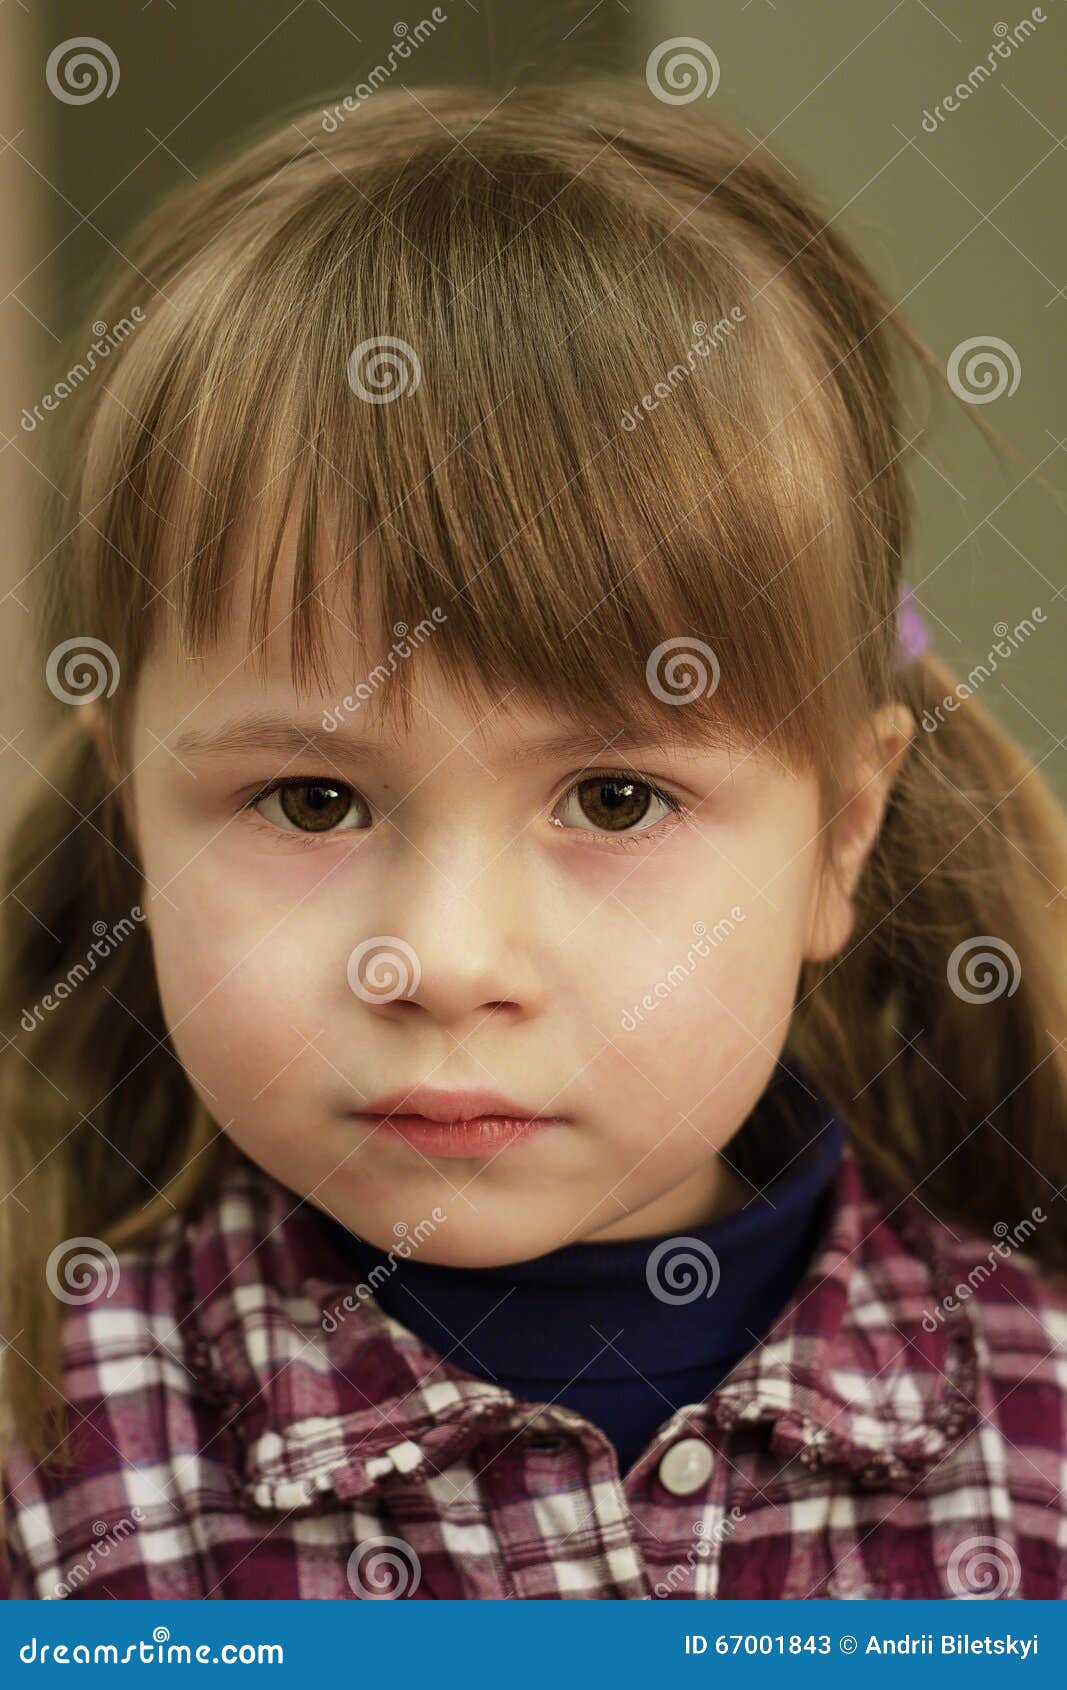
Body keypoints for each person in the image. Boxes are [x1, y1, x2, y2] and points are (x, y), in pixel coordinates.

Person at [1, 77, 1064, 1601]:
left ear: (843, 829)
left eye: (615, 798)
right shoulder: (46, 1467)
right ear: (134, 808)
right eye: (313, 799)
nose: (441, 959)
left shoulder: (1046, 1445)